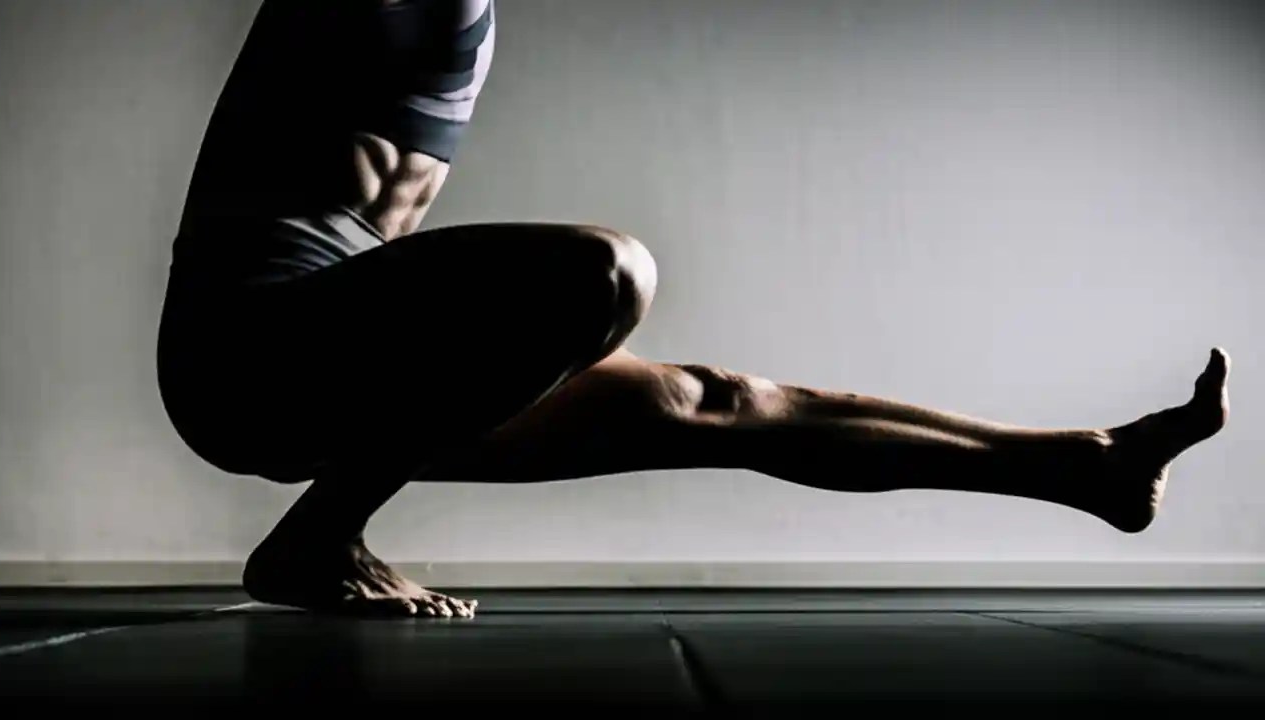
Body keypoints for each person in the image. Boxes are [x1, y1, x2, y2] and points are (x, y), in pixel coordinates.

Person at [155, 0, 1231, 619]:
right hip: (248, 351)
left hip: (359, 368)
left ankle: (1082, 466)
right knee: (600, 273)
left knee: (714, 401)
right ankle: (318, 541)